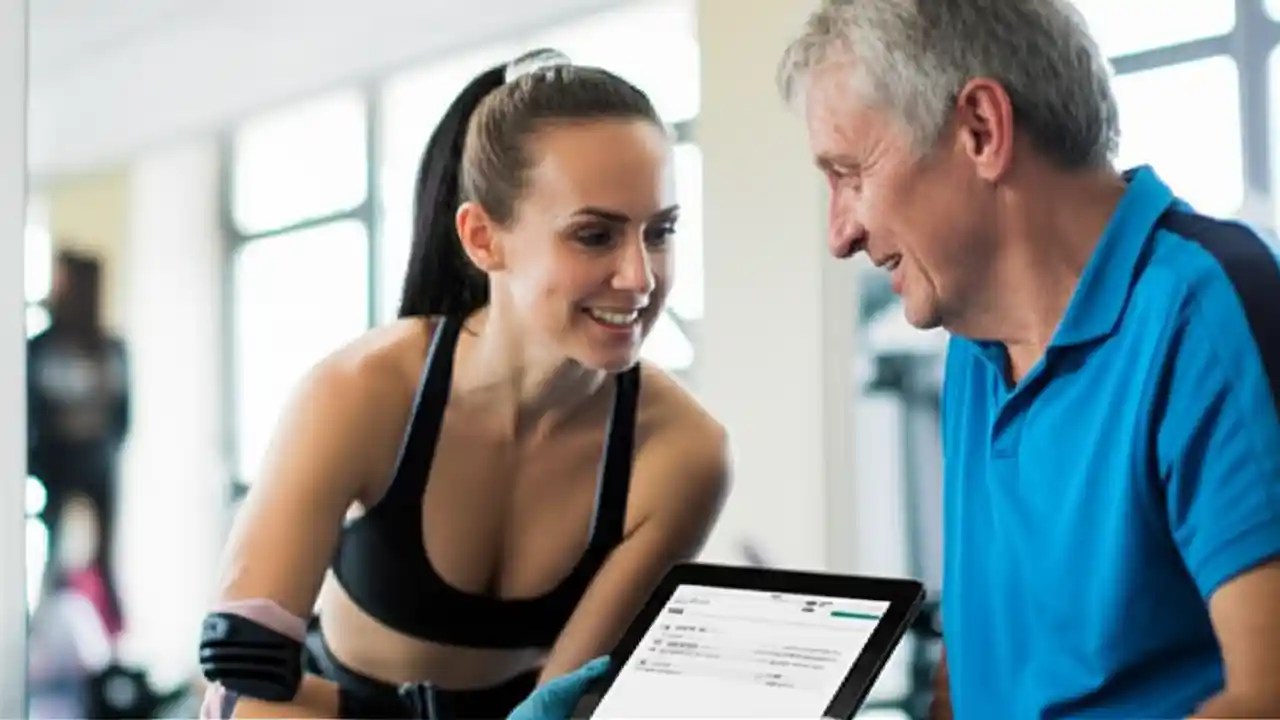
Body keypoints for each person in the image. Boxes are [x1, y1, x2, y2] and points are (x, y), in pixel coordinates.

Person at [523, 0, 1280, 717]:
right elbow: (989, 670)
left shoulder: (1204, 306)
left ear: (981, 129)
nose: (840, 234)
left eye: (850, 174)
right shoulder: (976, 350)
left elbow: (1268, 696)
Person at [199, 48, 730, 719]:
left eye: (661, 232)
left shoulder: (683, 453)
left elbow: (560, 705)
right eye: (594, 236)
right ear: (483, 238)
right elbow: (242, 680)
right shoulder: (359, 394)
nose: (640, 277)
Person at [28, 250, 129, 641]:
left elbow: (122, 414)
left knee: (106, 560)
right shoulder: (40, 347)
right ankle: (40, 640)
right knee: (51, 559)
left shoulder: (109, 347)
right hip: (55, 463)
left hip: (100, 461)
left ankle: (111, 645)